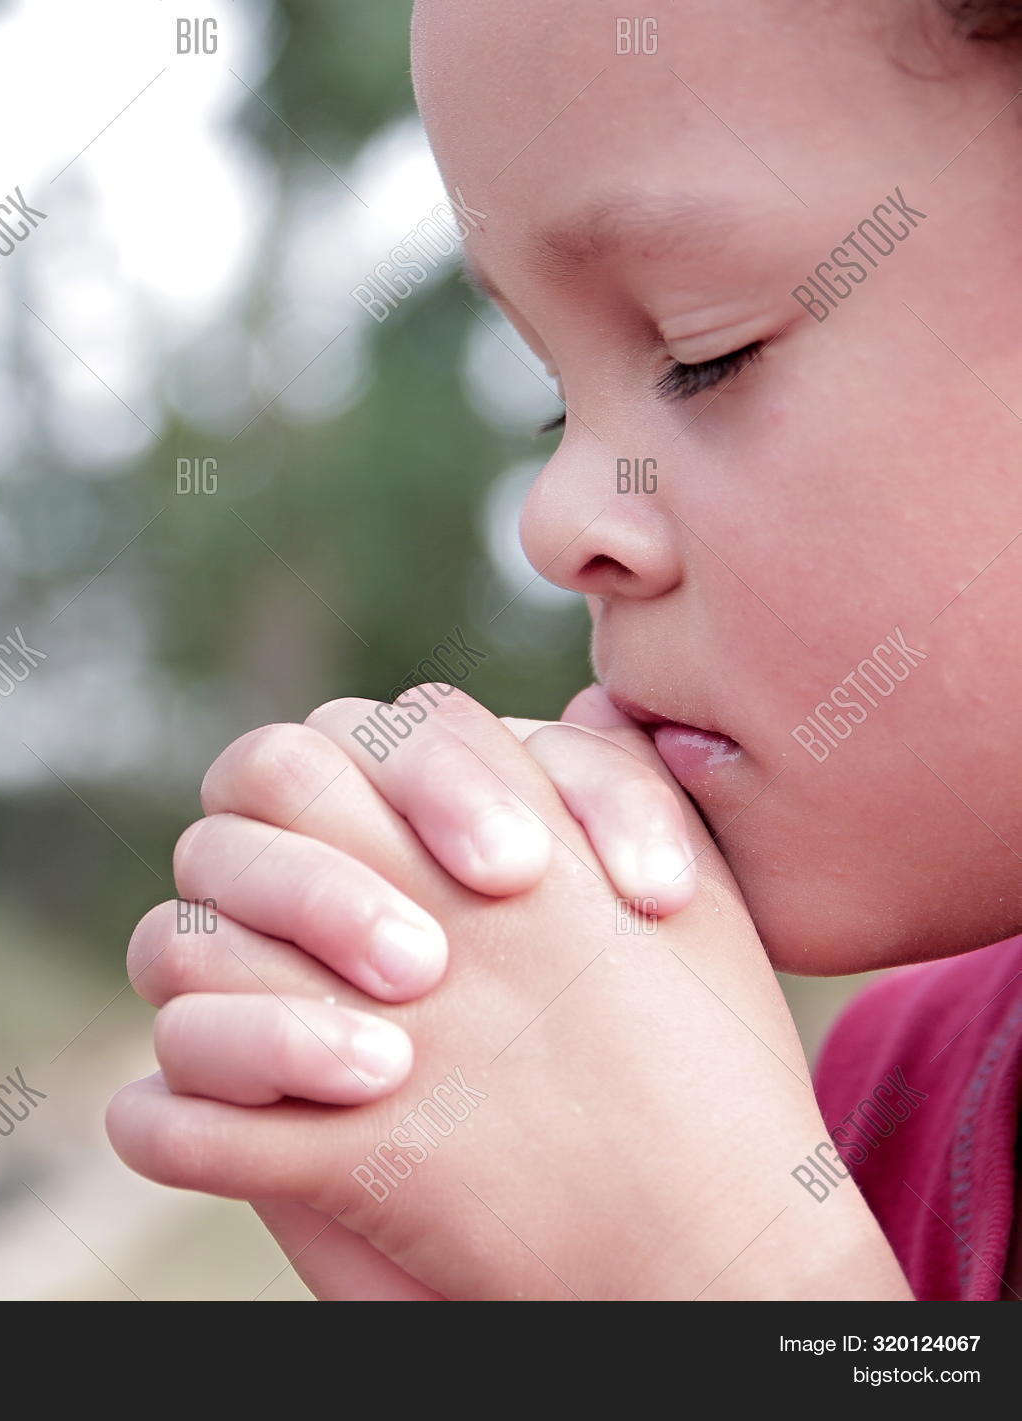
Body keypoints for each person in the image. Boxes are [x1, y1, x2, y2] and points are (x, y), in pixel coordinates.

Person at [108, 0, 1022, 1300]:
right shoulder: (893, 1107)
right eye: (552, 393)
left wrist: (725, 1272)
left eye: (705, 352)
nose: (554, 522)